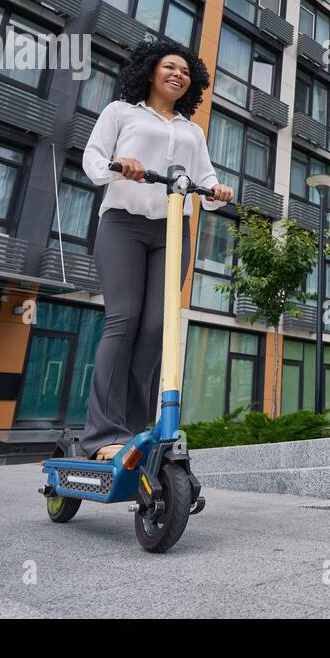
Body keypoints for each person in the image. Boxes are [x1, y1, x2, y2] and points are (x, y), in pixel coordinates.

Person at [80, 40, 233, 460]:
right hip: (123, 225)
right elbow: (93, 158)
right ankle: (100, 436)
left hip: (172, 229)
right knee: (124, 319)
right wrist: (119, 165)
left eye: (185, 71)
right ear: (151, 72)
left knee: (155, 331)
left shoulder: (192, 130)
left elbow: (205, 183)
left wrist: (218, 190)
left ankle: (131, 431)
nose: (178, 75)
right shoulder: (120, 112)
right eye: (170, 67)